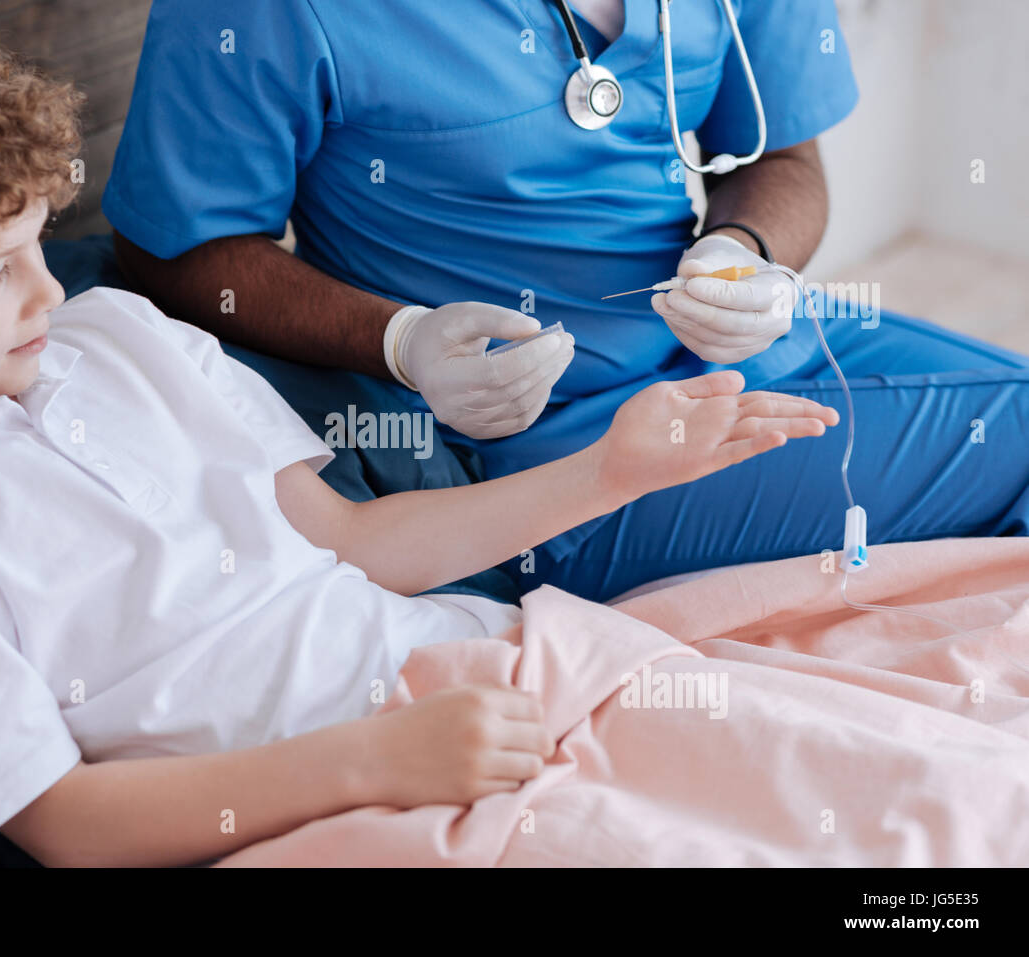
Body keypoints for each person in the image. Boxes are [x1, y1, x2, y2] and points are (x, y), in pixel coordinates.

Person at [0, 4, 838, 866]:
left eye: (34, 247)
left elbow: (352, 546)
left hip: (463, 674)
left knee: (839, 784)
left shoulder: (117, 333)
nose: (42, 294)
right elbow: (54, 821)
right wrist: (370, 763)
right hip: (322, 802)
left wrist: (611, 473)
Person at [104, 0, 1029, 604]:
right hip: (548, 466)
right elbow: (174, 254)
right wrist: (401, 340)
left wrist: (748, 255)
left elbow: (784, 161)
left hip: (756, 349)